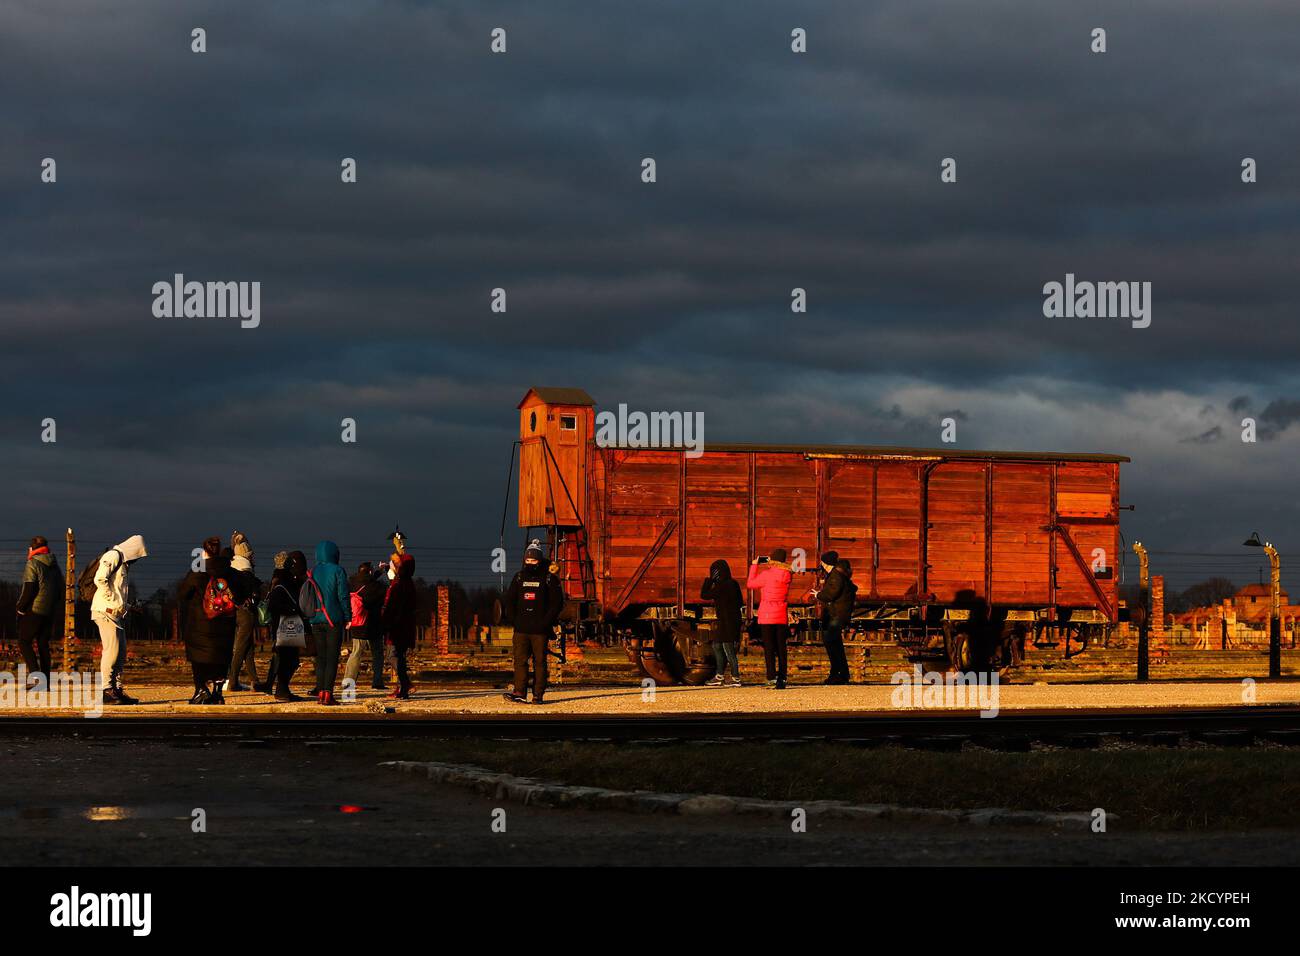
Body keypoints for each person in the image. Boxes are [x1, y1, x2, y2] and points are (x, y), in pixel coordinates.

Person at [178, 538, 249, 705]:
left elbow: (183, 594)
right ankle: (218, 693)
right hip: (225, 623)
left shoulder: (197, 571)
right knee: (221, 657)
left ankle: (201, 689)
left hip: (200, 625)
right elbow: (242, 592)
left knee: (199, 658)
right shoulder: (230, 571)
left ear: (204, 552)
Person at [502, 542, 565, 705]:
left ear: (539, 560)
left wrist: (545, 622)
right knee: (520, 661)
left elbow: (557, 603)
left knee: (539, 663)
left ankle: (538, 695)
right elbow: (509, 601)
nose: (530, 563)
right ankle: (519, 692)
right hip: (521, 629)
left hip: (540, 631)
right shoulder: (519, 577)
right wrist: (514, 619)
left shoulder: (549, 578)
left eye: (533, 561)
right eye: (528, 561)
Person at [90, 534, 148, 705]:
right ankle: (107, 690)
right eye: (138, 555)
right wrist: (111, 600)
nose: (137, 560)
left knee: (120, 654)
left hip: (115, 613)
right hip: (106, 612)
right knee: (111, 652)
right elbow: (100, 579)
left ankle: (116, 689)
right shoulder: (113, 556)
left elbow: (117, 592)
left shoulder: (122, 562)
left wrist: (127, 607)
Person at [305, 540, 349, 706]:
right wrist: (348, 617)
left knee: (321, 658)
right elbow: (343, 595)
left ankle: (321, 692)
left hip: (316, 619)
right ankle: (328, 694)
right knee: (332, 658)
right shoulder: (338, 570)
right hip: (333, 620)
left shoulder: (313, 571)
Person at [16, 536, 63, 690]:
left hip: (35, 610)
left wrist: (20, 608)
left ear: (32, 548)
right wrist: (54, 606)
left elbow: (30, 589)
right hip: (50, 611)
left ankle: (37, 679)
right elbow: (61, 589)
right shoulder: (55, 565)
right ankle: (46, 683)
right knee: (43, 644)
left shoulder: (33, 563)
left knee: (24, 641)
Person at [746, 547, 793, 689]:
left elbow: (750, 584)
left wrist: (754, 565)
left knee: (769, 648)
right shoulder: (788, 574)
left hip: (767, 615)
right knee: (781, 648)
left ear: (771, 559)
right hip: (781, 613)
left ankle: (771, 677)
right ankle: (783, 677)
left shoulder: (767, 574)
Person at [266, 550, 308, 701]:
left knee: (290, 659)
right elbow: (275, 605)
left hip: (287, 623)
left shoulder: (281, 579)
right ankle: (282, 691)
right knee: (289, 660)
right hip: (286, 623)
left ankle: (282, 689)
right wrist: (292, 610)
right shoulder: (283, 581)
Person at [227, 531, 265, 692]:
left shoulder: (231, 568)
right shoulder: (246, 570)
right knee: (242, 647)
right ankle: (233, 680)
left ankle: (254, 680)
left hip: (234, 611)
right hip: (246, 613)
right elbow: (253, 591)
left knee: (248, 647)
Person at [811, 552, 856, 684]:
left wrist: (818, 595)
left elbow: (831, 594)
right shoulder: (838, 574)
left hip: (835, 615)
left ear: (825, 563)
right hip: (837, 614)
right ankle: (841, 673)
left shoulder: (835, 576)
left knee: (831, 643)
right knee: (835, 644)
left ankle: (838, 673)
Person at [343, 561, 387, 691]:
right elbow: (383, 594)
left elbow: (367, 580)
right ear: (369, 572)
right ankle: (377, 682)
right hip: (374, 623)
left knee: (356, 653)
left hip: (357, 623)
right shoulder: (376, 587)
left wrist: (378, 571)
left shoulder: (352, 583)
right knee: (377, 654)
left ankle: (348, 683)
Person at [380, 552, 418, 699]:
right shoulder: (408, 583)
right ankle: (402, 688)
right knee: (400, 657)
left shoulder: (399, 584)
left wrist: (385, 622)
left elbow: (392, 606)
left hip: (397, 626)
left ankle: (406, 683)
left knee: (392, 655)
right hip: (405, 625)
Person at [701, 559, 743, 686]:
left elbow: (704, 595)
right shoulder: (733, 583)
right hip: (731, 621)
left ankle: (735, 678)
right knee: (717, 646)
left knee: (727, 649)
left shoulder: (721, 585)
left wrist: (709, 581)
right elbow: (740, 601)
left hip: (727, 622)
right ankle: (719, 676)